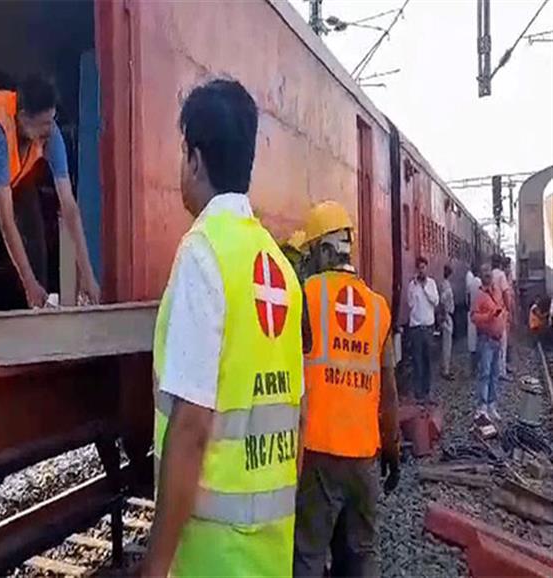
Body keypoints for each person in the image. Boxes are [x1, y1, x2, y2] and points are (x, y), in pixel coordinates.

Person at [142, 79, 304, 578]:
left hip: (212, 557)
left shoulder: (203, 254)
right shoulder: (278, 266)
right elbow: (298, 420)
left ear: (194, 159)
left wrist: (156, 565)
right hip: (270, 553)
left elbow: (191, 426)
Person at [293, 200, 400, 578]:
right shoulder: (378, 307)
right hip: (364, 458)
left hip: (317, 454)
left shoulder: (306, 297)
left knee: (307, 554)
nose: (307, 263)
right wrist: (392, 447)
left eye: (309, 254)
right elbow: (389, 392)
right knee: (361, 556)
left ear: (324, 250)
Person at [0, 75, 100, 312]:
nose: (50, 130)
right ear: (24, 118)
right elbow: (6, 219)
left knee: (34, 230)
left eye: (52, 121)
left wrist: (88, 275)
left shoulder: (50, 133)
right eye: (44, 124)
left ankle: (39, 304)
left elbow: (69, 207)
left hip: (17, 169)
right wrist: (28, 283)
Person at [471, 263, 505, 421]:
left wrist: (503, 320)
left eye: (489, 272)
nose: (488, 275)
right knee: (485, 374)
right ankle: (482, 407)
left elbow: (502, 307)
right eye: (485, 273)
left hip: (497, 339)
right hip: (486, 339)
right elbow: (474, 317)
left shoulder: (496, 292)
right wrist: (489, 316)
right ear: (481, 276)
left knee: (494, 374)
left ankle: (492, 405)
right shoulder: (479, 296)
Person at [407, 256, 439, 403]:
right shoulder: (411, 285)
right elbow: (410, 303)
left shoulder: (431, 283)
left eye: (423, 268)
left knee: (428, 361)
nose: (421, 271)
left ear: (426, 268)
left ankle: (427, 391)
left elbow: (435, 301)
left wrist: (425, 288)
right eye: (419, 268)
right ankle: (418, 393)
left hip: (428, 327)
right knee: (417, 361)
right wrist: (415, 286)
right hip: (416, 327)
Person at [491, 254, 512, 381]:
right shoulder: (501, 275)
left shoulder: (488, 275)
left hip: (490, 313)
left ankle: (493, 369)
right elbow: (506, 293)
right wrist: (508, 308)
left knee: (491, 343)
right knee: (502, 344)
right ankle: (501, 371)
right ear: (500, 264)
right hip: (500, 313)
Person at [440, 264, 455, 380]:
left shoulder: (444, 284)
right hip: (447, 316)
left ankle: (446, 368)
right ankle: (445, 370)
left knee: (447, 344)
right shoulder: (446, 285)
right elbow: (443, 300)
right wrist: (445, 315)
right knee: (447, 345)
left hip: (447, 315)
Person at [466, 263, 481, 373]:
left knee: (472, 343)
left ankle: (472, 368)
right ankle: (479, 367)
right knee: (479, 341)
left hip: (472, 313)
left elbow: (468, 298)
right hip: (480, 314)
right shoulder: (480, 283)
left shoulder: (471, 284)